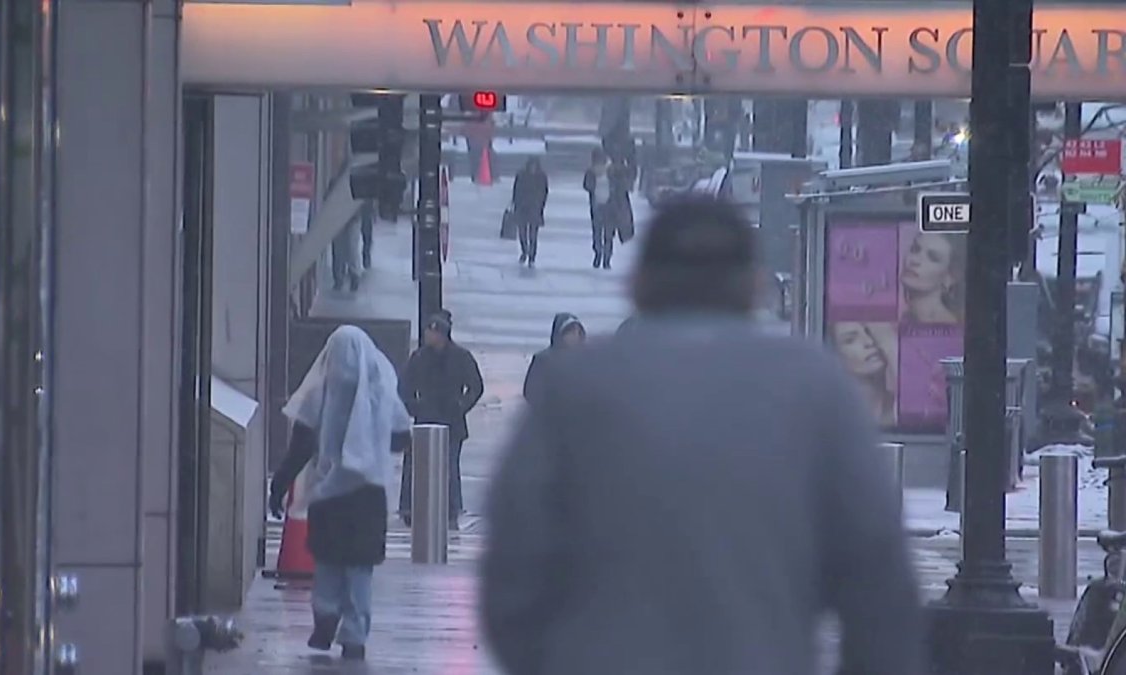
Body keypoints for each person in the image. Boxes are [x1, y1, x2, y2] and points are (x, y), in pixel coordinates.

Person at [480, 196, 924, 675]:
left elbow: (513, 572)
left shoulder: (576, 388)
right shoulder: (815, 389)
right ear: (754, 286)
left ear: (638, 283)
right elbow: (879, 582)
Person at [267, 326, 412, 661]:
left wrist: (281, 483)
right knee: (360, 566)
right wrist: (369, 441)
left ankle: (326, 616)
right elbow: (401, 437)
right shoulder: (381, 388)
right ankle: (355, 635)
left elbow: (301, 443)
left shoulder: (320, 390)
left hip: (330, 491)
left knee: (329, 559)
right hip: (369, 494)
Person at [398, 311, 485, 529]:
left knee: (450, 466)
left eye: (432, 332)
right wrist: (413, 406)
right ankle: (409, 506)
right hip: (425, 417)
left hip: (451, 419)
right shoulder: (419, 358)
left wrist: (461, 405)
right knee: (414, 463)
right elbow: (404, 387)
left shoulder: (461, 357)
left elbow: (476, 386)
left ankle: (452, 509)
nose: (428, 336)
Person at [829, 321, 897, 425]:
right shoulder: (832, 417)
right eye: (850, 340)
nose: (869, 342)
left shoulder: (901, 409)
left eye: (870, 333)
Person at [900, 231, 965, 324]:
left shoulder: (944, 324)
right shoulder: (909, 318)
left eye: (933, 258)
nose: (914, 260)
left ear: (950, 278)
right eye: (914, 249)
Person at [523, 313, 585, 405]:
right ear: (560, 334)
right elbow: (530, 392)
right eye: (571, 332)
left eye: (578, 332)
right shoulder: (543, 359)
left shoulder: (585, 360)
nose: (575, 336)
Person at [512, 157, 549, 267]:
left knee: (533, 235)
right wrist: (516, 203)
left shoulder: (541, 177)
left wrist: (541, 206)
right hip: (523, 207)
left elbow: (544, 192)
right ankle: (524, 251)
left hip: (535, 208)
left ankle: (532, 256)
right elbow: (516, 191)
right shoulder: (521, 175)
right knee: (522, 233)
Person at [582, 148, 615, 269]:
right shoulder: (590, 172)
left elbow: (619, 184)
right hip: (596, 205)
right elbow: (586, 185)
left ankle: (606, 258)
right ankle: (598, 254)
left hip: (610, 206)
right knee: (597, 232)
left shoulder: (611, 171)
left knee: (608, 234)